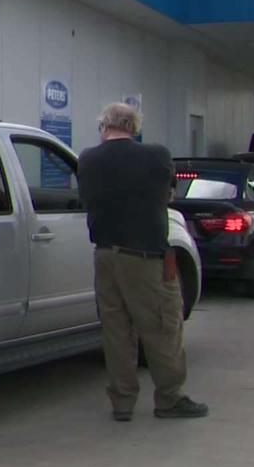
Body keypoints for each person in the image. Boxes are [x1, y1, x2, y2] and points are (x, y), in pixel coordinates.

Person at [78, 102, 208, 421]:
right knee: (163, 326)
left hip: (105, 254)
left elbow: (86, 198)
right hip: (145, 256)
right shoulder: (157, 155)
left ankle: (122, 402)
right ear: (134, 127)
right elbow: (168, 195)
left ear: (104, 126)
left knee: (116, 329)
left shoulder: (88, 159)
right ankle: (169, 399)